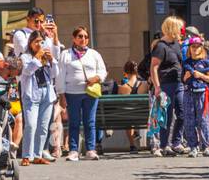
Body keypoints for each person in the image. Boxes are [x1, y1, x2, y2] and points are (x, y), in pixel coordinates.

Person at [58, 26, 107, 161]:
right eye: (80, 36)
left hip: (90, 93)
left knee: (89, 121)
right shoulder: (66, 54)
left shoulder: (94, 54)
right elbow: (60, 75)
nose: (83, 39)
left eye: (85, 37)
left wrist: (96, 78)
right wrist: (61, 95)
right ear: (74, 38)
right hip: (72, 93)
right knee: (74, 122)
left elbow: (103, 71)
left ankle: (90, 149)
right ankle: (73, 150)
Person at [19, 29, 58, 164]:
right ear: (30, 43)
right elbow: (28, 70)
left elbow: (54, 74)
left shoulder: (46, 57)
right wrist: (37, 58)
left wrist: (52, 60)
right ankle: (26, 156)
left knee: (43, 126)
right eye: (36, 42)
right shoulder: (25, 57)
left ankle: (37, 155)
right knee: (30, 125)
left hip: (46, 94)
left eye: (41, 42)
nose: (39, 45)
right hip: (32, 95)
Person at [150, 16, 187, 155]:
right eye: (179, 28)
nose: (181, 31)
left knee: (183, 113)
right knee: (167, 116)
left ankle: (177, 142)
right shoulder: (160, 46)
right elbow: (153, 67)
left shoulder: (176, 44)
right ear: (172, 29)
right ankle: (165, 145)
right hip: (166, 84)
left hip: (178, 83)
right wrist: (157, 87)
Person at [181, 37, 209, 157]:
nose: (195, 49)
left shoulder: (206, 62)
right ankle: (193, 147)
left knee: (203, 121)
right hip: (188, 93)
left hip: (202, 93)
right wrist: (185, 77)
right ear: (189, 49)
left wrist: (200, 75)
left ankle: (206, 146)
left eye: (198, 46)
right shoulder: (186, 63)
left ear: (202, 48)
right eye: (193, 47)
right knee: (189, 121)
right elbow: (182, 80)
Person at [116, 60, 144, 152]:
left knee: (128, 116)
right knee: (132, 115)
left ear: (125, 72)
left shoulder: (122, 87)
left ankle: (132, 145)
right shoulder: (145, 85)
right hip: (143, 116)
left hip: (128, 116)